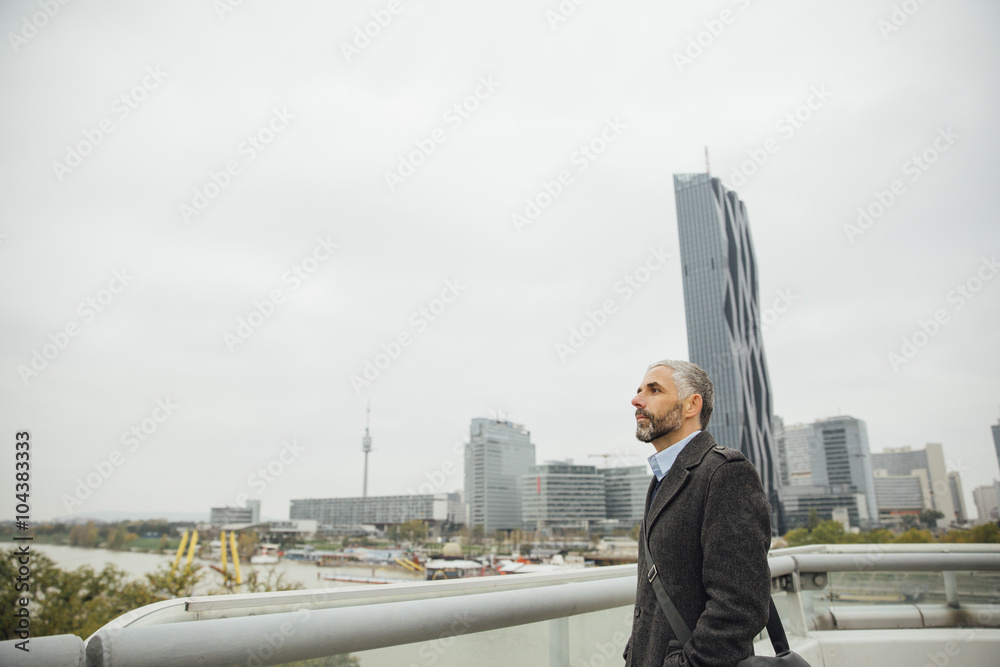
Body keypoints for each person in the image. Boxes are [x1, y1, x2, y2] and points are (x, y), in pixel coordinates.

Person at [622, 359, 771, 667]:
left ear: (691, 404)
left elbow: (740, 606)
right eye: (639, 390)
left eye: (653, 390)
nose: (636, 400)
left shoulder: (724, 473)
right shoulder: (663, 477)